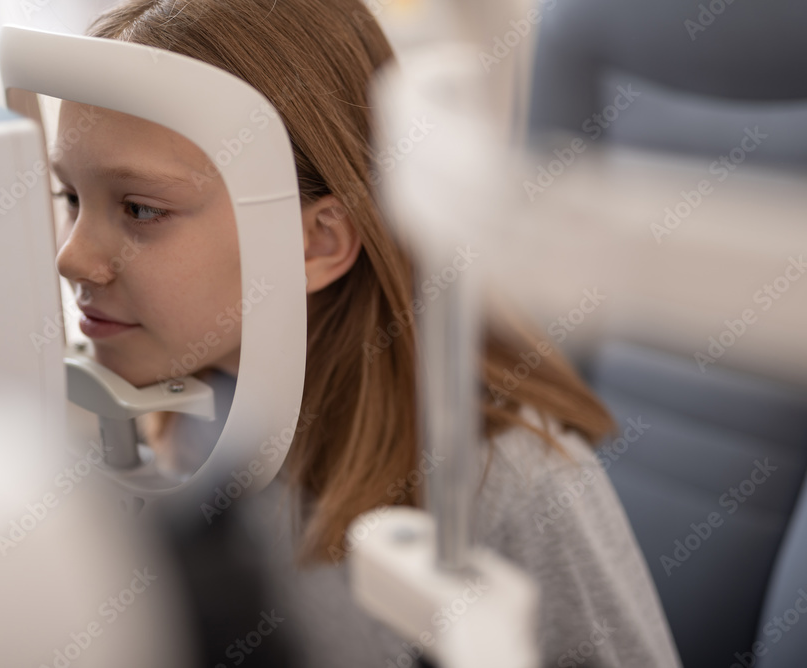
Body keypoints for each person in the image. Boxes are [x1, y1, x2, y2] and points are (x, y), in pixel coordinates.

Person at [51, 0, 683, 665]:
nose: (71, 256)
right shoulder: (192, 423)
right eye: (69, 197)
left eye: (140, 209)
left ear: (316, 242)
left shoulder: (505, 484)